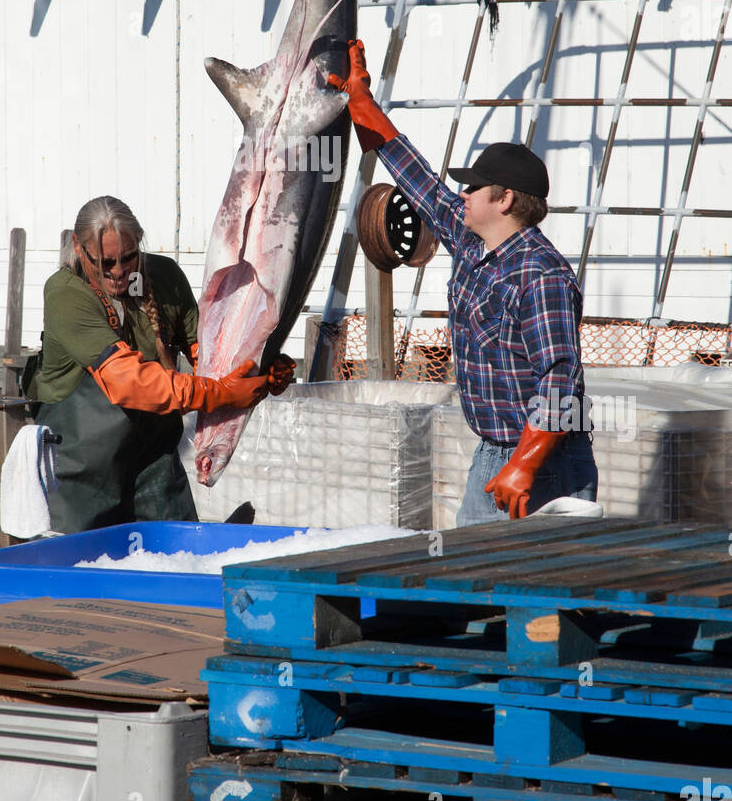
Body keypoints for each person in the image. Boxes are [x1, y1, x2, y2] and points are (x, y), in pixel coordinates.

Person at [329, 42, 598, 525]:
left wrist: (525, 463)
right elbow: (424, 187)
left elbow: (560, 379)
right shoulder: (476, 245)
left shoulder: (541, 275)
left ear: (506, 199)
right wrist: (365, 109)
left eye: (473, 187)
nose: (464, 194)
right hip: (498, 453)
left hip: (544, 464)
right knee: (473, 583)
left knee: (531, 589)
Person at [29, 196, 292, 533]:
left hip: (154, 463)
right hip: (79, 475)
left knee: (176, 565)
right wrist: (223, 392)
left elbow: (210, 356)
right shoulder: (65, 293)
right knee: (81, 577)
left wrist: (259, 369)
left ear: (140, 243)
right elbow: (127, 381)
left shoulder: (165, 276)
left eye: (128, 257)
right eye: (105, 262)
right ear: (79, 251)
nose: (119, 272)